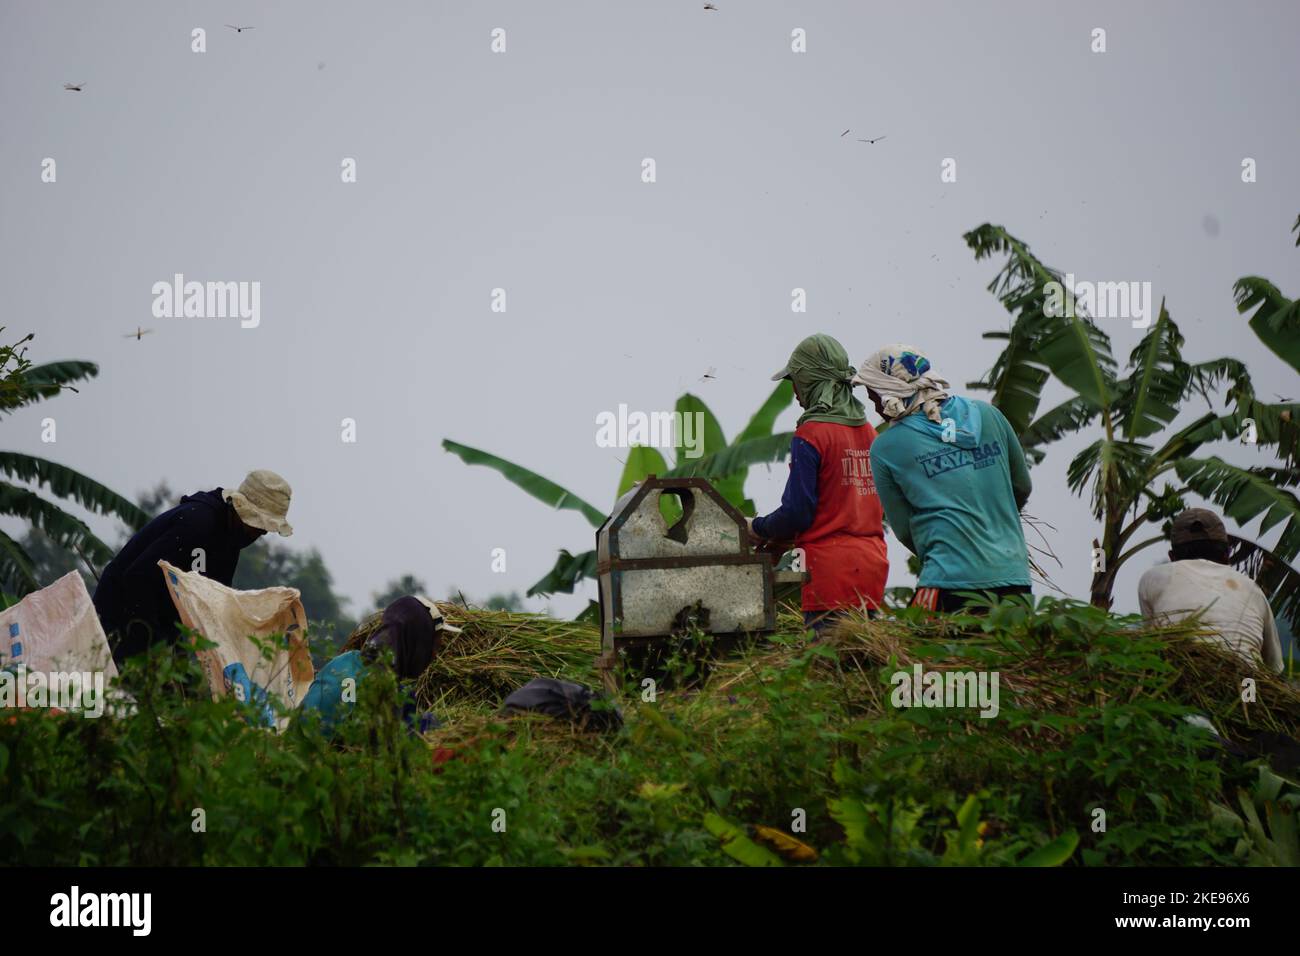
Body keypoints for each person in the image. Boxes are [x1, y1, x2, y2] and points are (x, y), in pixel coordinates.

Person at [853, 345, 1032, 613]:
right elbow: (1022, 486)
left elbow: (903, 529)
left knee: (920, 652)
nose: (876, 408)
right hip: (1015, 579)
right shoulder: (989, 415)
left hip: (948, 581)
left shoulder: (887, 447)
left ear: (890, 391)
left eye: (873, 396)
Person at [748, 334, 889, 634]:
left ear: (810, 380)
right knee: (862, 674)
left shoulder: (811, 434)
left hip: (829, 576)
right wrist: (779, 541)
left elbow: (798, 513)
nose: (796, 392)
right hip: (872, 569)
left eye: (796, 381)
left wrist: (756, 528)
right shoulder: (869, 434)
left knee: (830, 667)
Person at [94, 469, 294, 665]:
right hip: (119, 625)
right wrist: (157, 646)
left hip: (164, 632)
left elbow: (212, 601)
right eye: (258, 526)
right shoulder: (197, 523)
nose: (260, 533)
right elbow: (138, 578)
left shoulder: (230, 540)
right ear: (241, 510)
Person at [1138, 508, 1283, 673]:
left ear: (1172, 557)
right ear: (1227, 555)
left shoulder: (1152, 578)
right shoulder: (1253, 590)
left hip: (1177, 681)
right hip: (1245, 688)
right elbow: (1274, 667)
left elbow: (1151, 646)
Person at [298, 596, 462, 736]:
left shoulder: (343, 661)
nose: (434, 655)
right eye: (433, 646)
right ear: (417, 643)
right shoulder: (389, 693)